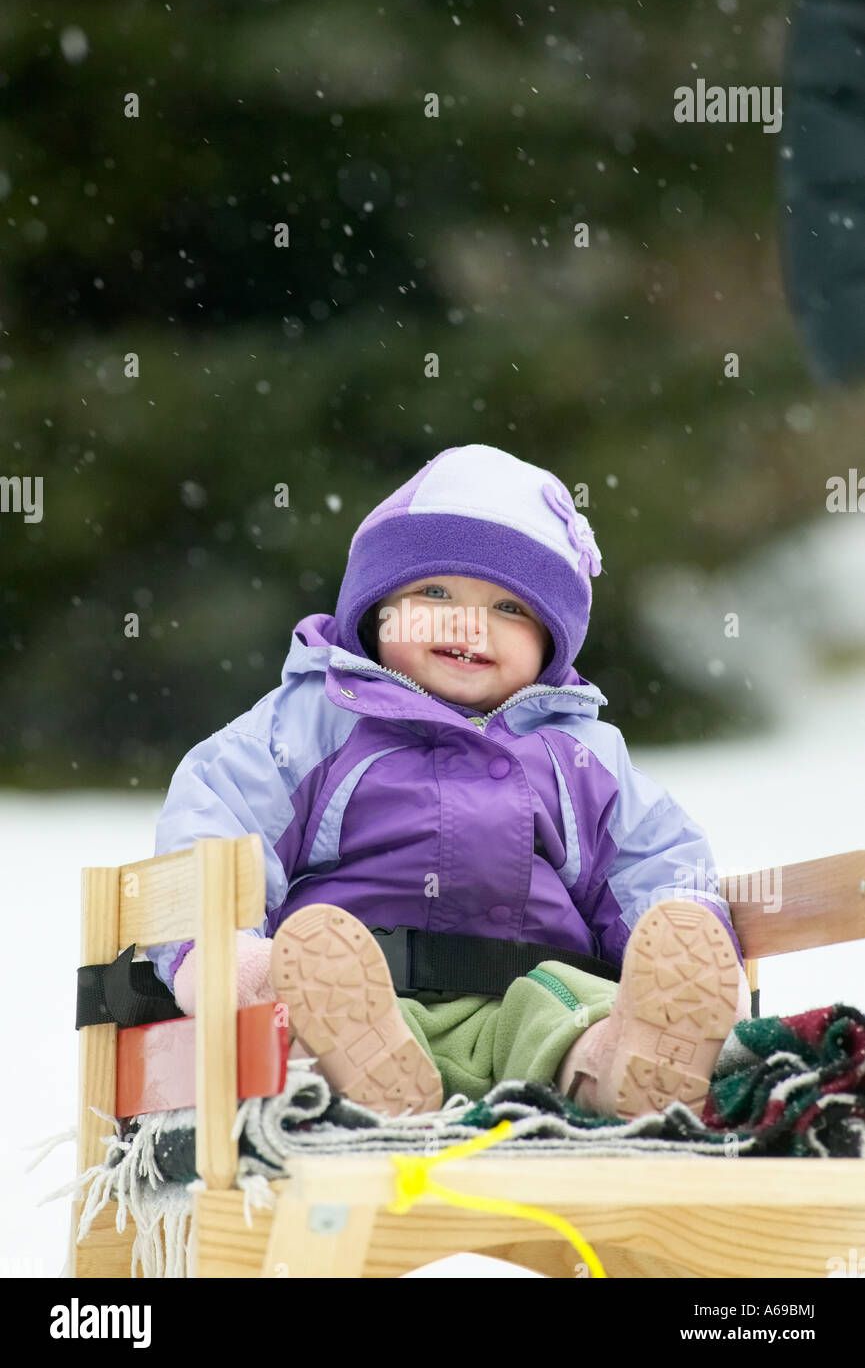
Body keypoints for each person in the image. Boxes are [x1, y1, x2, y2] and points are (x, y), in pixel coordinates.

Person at [148, 444, 752, 1121]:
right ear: (375, 611)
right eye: (435, 593)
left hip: (531, 1000)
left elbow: (656, 855)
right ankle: (363, 1083)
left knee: (577, 1012)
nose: (468, 624)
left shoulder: (579, 754)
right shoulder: (315, 720)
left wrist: (679, 939)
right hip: (362, 989)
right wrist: (229, 956)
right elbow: (219, 815)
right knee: (310, 1013)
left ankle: (625, 1063)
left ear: (550, 645)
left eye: (509, 607)